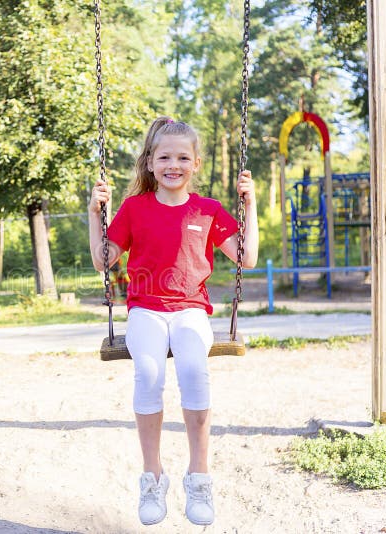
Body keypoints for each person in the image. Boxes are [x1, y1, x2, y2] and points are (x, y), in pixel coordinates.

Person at [87, 116, 258, 527]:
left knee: (195, 372)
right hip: (145, 308)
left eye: (183, 157)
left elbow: (246, 258)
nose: (173, 165)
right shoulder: (133, 209)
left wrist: (250, 206)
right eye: (164, 156)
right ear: (149, 162)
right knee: (148, 375)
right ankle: (153, 479)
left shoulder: (209, 210)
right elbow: (102, 260)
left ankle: (199, 478)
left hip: (191, 310)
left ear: (196, 163)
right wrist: (95, 214)